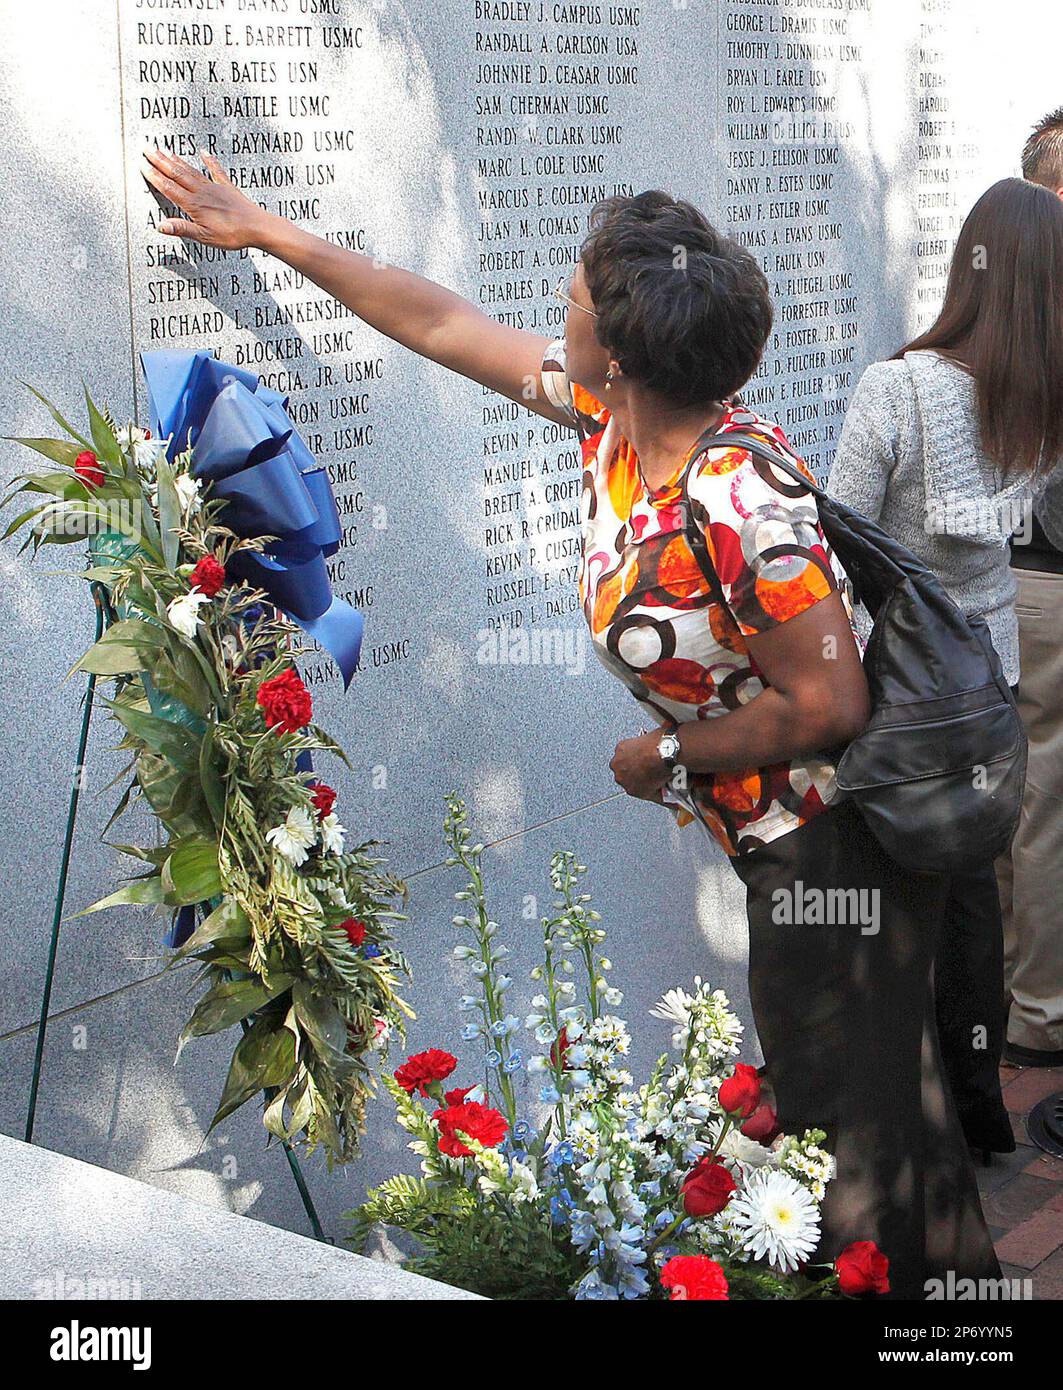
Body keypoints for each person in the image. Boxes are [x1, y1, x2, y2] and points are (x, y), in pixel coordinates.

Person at [143, 149, 1001, 1296]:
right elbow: (445, 324)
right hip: (784, 841)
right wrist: (272, 234)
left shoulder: (736, 501)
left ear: (628, 351)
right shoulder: (619, 425)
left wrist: (666, 754)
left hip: (833, 852)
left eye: (576, 302)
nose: (559, 310)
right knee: (880, 1120)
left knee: (858, 1147)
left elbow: (828, 702)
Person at [829, 177, 1063, 1151]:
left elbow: (832, 531)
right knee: (968, 898)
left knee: (881, 899)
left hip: (897, 683)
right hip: (986, 682)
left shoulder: (899, 388)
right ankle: (976, 1116)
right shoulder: (1040, 406)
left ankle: (893, 1123)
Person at [995, 109, 1063, 1069]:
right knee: (1041, 800)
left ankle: (1031, 1005)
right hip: (1042, 576)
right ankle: (1039, 1013)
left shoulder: (998, 295)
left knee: (1034, 799)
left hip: (1022, 579)